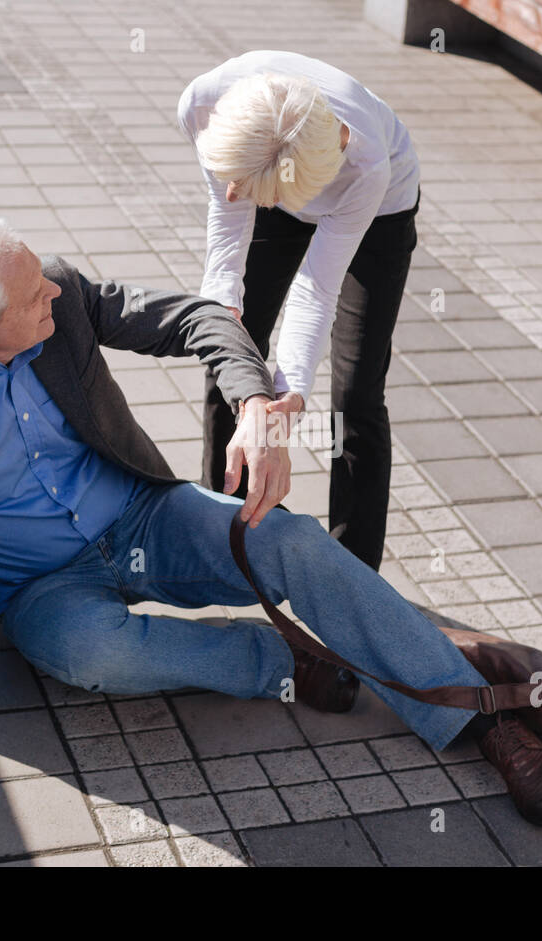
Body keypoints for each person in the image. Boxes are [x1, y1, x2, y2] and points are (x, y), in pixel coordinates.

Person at [0, 212, 542, 827]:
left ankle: (480, 716)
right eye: (34, 300)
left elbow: (192, 318)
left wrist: (253, 400)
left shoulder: (55, 293)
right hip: (40, 584)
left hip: (144, 512)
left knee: (286, 537)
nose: (57, 298)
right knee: (87, 656)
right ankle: (289, 660)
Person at [178, 50, 420, 571]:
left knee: (355, 394)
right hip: (267, 170)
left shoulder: (369, 162)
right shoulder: (203, 104)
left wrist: (289, 397)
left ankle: (353, 573)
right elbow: (226, 239)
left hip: (375, 211)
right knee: (234, 351)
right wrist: (228, 332)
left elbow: (316, 289)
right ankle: (227, 527)